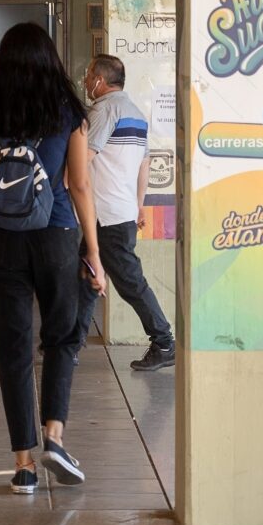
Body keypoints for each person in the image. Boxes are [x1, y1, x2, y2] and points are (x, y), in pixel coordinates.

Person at [0, 23, 107, 493]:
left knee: (12, 347)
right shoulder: (68, 109)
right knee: (61, 336)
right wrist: (94, 252)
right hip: (56, 235)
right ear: (50, 60)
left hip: (2, 238)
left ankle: (23, 465)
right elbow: (79, 185)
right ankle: (54, 437)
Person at [76, 54, 175, 371]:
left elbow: (84, 157)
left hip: (108, 215)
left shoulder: (103, 110)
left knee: (130, 282)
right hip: (119, 211)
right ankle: (70, 340)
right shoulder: (135, 113)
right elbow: (145, 163)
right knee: (85, 276)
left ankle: (164, 341)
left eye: (89, 74)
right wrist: (139, 204)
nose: (86, 81)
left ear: (100, 80)